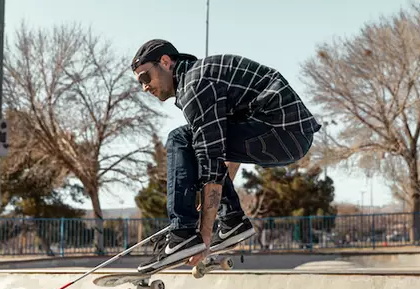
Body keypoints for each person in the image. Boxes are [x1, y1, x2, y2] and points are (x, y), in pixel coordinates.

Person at [131, 39, 321, 274]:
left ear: (166, 62)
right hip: (285, 133)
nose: (145, 88)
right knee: (198, 143)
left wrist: (204, 235)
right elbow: (225, 151)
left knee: (180, 139)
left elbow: (211, 160)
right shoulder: (200, 77)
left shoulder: (195, 85)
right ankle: (232, 221)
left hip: (281, 130)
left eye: (145, 78)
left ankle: (182, 232)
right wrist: (217, 201)